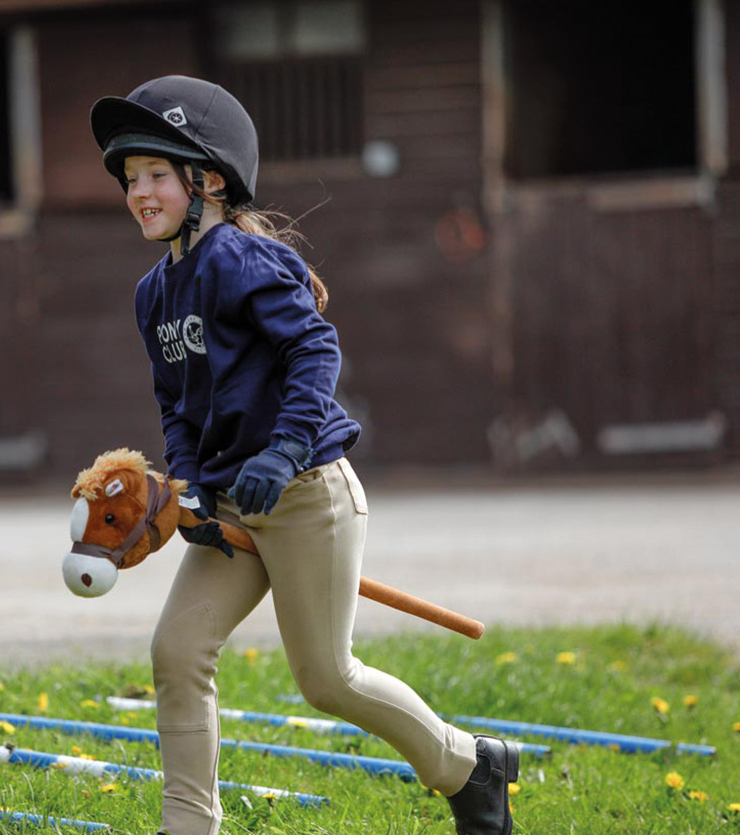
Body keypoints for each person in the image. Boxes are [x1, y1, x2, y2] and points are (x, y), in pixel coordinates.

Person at [90, 75, 518, 835]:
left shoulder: (242, 260)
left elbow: (315, 352)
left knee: (326, 679)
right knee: (178, 651)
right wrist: (187, 486)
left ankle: (469, 766)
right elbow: (175, 402)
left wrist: (285, 450)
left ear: (208, 180)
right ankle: (188, 826)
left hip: (308, 493)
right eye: (131, 179)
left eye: (156, 174)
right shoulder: (152, 294)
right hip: (233, 505)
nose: (140, 194)